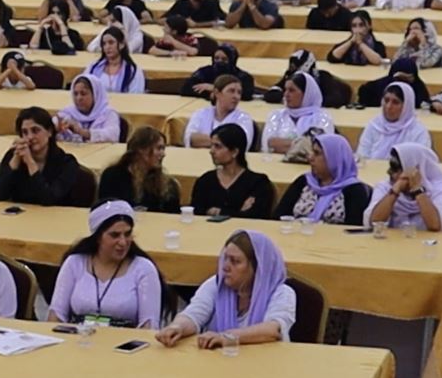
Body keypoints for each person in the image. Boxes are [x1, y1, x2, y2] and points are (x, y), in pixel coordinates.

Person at [156, 230, 294, 348]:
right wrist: (177, 327)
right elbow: (194, 315)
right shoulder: (216, 284)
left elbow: (272, 330)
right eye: (225, 258)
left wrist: (227, 337)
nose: (225, 267)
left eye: (235, 261)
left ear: (257, 268)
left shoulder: (282, 293)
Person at [48, 200, 164, 328]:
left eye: (127, 234)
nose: (123, 242)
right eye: (114, 235)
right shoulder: (74, 263)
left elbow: (149, 325)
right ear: (97, 237)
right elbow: (56, 316)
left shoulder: (144, 269)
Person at [0, 107, 83, 206]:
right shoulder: (13, 156)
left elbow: (48, 198)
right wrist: (15, 161)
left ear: (49, 131)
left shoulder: (67, 163)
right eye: (25, 132)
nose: (30, 137)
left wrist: (30, 163)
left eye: (35, 131)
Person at [275, 133, 369, 226]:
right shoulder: (303, 181)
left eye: (317, 153)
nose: (310, 158)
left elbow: (353, 229)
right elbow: (277, 217)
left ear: (333, 158)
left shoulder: (354, 190)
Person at [366, 143, 442, 232]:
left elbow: (436, 226)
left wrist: (417, 190)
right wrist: (394, 192)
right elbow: (374, 222)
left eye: (395, 169)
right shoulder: (385, 187)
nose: (389, 172)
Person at [190, 124, 274, 220]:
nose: (211, 151)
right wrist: (239, 212)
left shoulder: (258, 183)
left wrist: (219, 212)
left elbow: (257, 216)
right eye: (211, 146)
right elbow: (196, 214)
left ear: (235, 152)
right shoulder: (205, 181)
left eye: (218, 146)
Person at [98, 126, 180, 213]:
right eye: (159, 148)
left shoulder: (167, 185)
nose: (163, 154)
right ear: (141, 149)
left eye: (163, 149)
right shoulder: (112, 176)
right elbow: (105, 209)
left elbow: (173, 215)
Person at [262, 73, 334, 155]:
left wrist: (283, 144)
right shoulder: (276, 116)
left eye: (291, 90)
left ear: (306, 94)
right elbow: (269, 144)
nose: (286, 94)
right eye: (285, 90)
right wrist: (303, 145)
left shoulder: (322, 118)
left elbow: (321, 149)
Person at [358, 81, 430, 160]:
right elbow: (362, 157)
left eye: (395, 102)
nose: (388, 106)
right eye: (386, 100)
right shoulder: (374, 126)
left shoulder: (418, 132)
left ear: (406, 106)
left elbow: (421, 161)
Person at [183, 74, 252, 149]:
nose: (236, 96)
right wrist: (223, 142)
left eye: (239, 92)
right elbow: (191, 139)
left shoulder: (243, 118)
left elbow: (240, 144)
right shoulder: (201, 114)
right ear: (217, 93)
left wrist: (205, 140)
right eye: (231, 91)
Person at [56, 74, 121, 144]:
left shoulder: (108, 113)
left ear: (95, 94)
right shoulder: (67, 113)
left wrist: (82, 132)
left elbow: (113, 136)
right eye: (75, 94)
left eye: (83, 94)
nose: (79, 98)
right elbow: (53, 125)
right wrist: (56, 128)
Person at [84, 25, 144, 94]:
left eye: (111, 43)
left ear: (121, 44)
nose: (107, 47)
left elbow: (136, 96)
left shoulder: (133, 71)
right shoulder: (93, 67)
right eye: (104, 44)